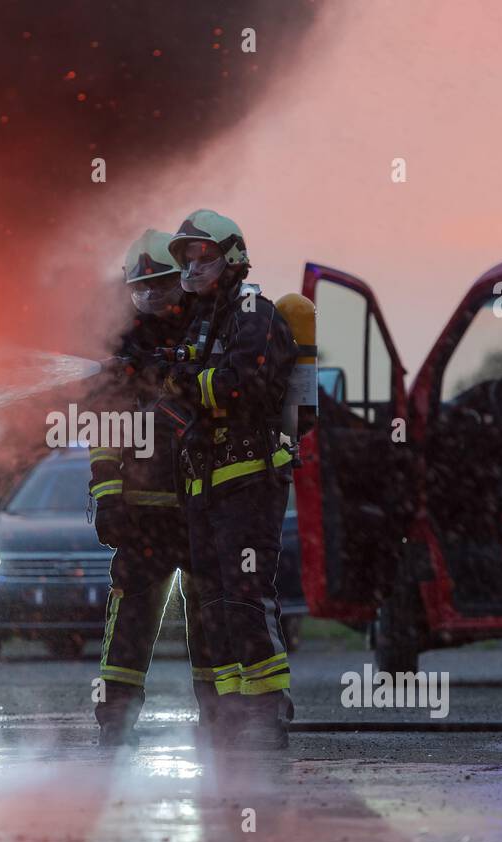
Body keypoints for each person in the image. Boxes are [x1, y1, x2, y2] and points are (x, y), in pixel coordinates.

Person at [165, 209, 298, 749]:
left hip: (247, 478)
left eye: (203, 255)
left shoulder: (255, 313)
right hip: (202, 484)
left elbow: (242, 384)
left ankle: (268, 713)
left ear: (233, 257)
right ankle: (224, 712)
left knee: (246, 595)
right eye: (185, 258)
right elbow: (174, 394)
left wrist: (187, 384)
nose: (193, 267)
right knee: (209, 601)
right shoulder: (199, 320)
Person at [88, 229, 213, 746]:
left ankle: (220, 717)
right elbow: (103, 428)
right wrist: (107, 496)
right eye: (142, 289)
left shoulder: (212, 331)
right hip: (141, 511)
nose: (152, 297)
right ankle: (115, 719)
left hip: (202, 506)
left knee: (211, 614)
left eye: (161, 286)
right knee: (131, 615)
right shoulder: (120, 352)